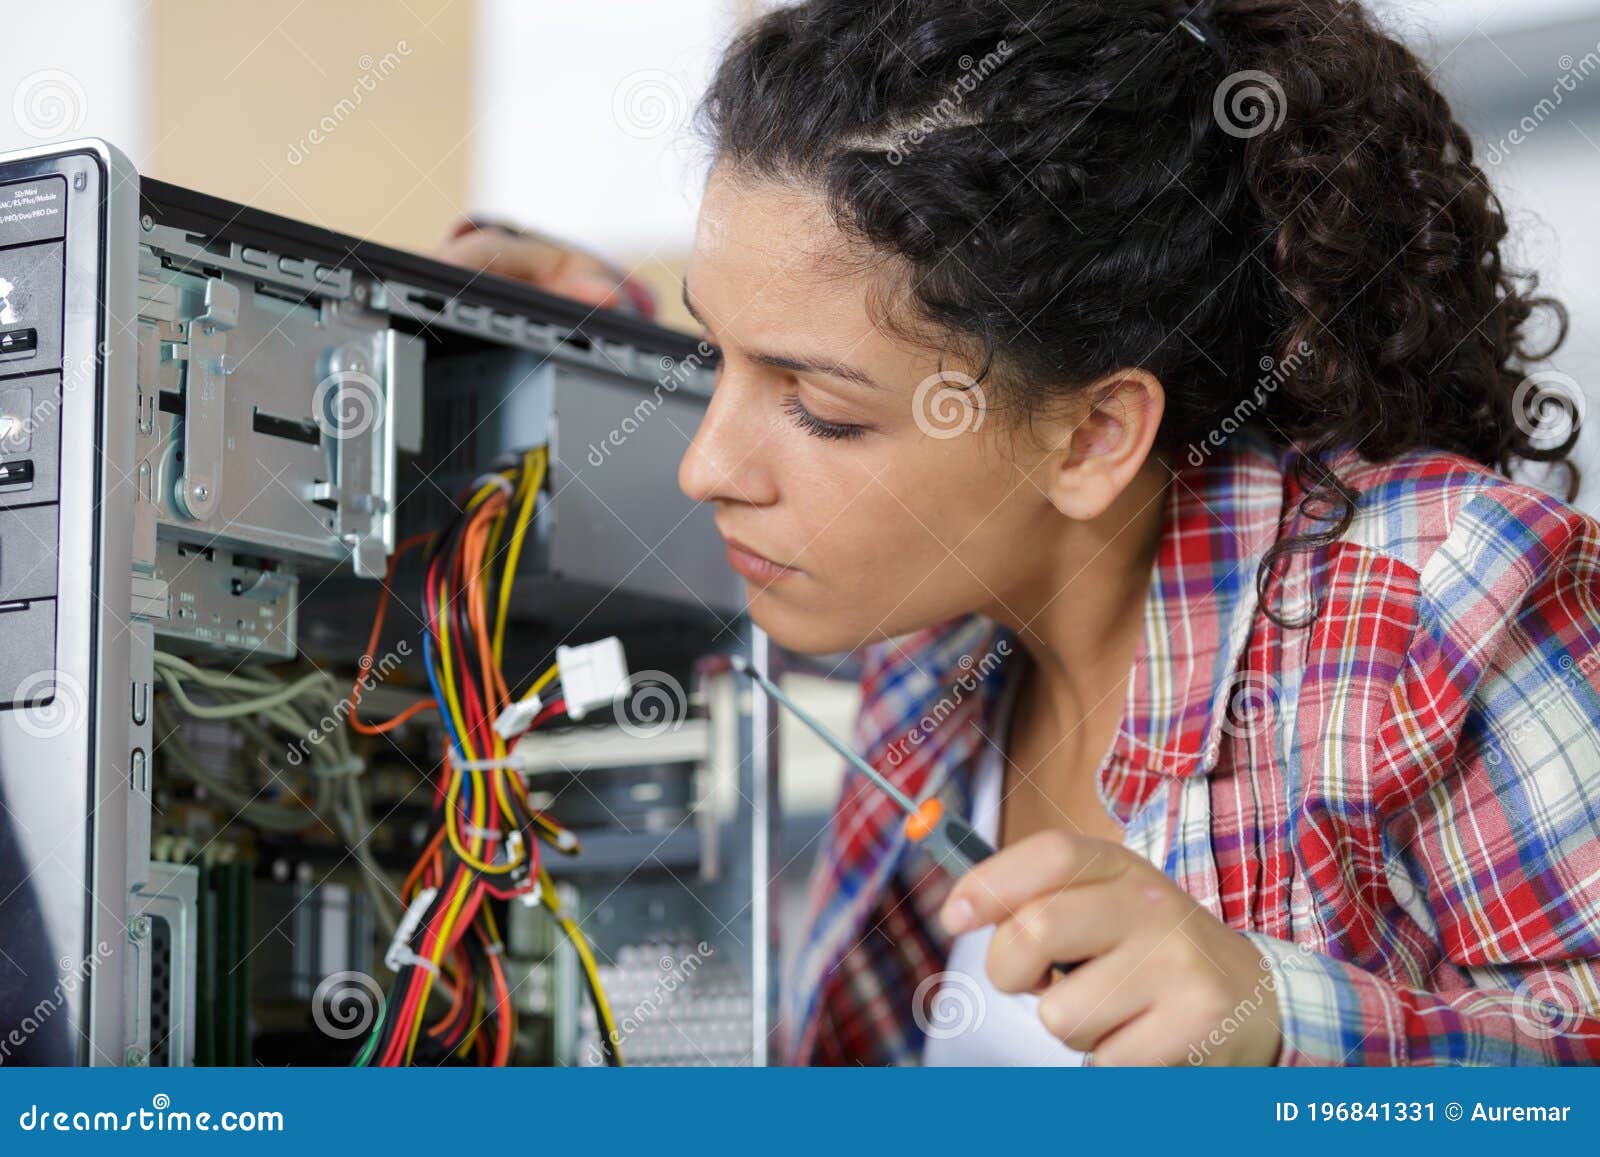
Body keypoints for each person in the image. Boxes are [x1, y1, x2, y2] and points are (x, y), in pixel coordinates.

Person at [438, 0, 1600, 1066]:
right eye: (713, 355)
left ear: (1094, 434)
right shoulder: (920, 617)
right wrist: (602, 327)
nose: (705, 465)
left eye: (822, 410)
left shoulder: (1437, 603)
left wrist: (1281, 1024)